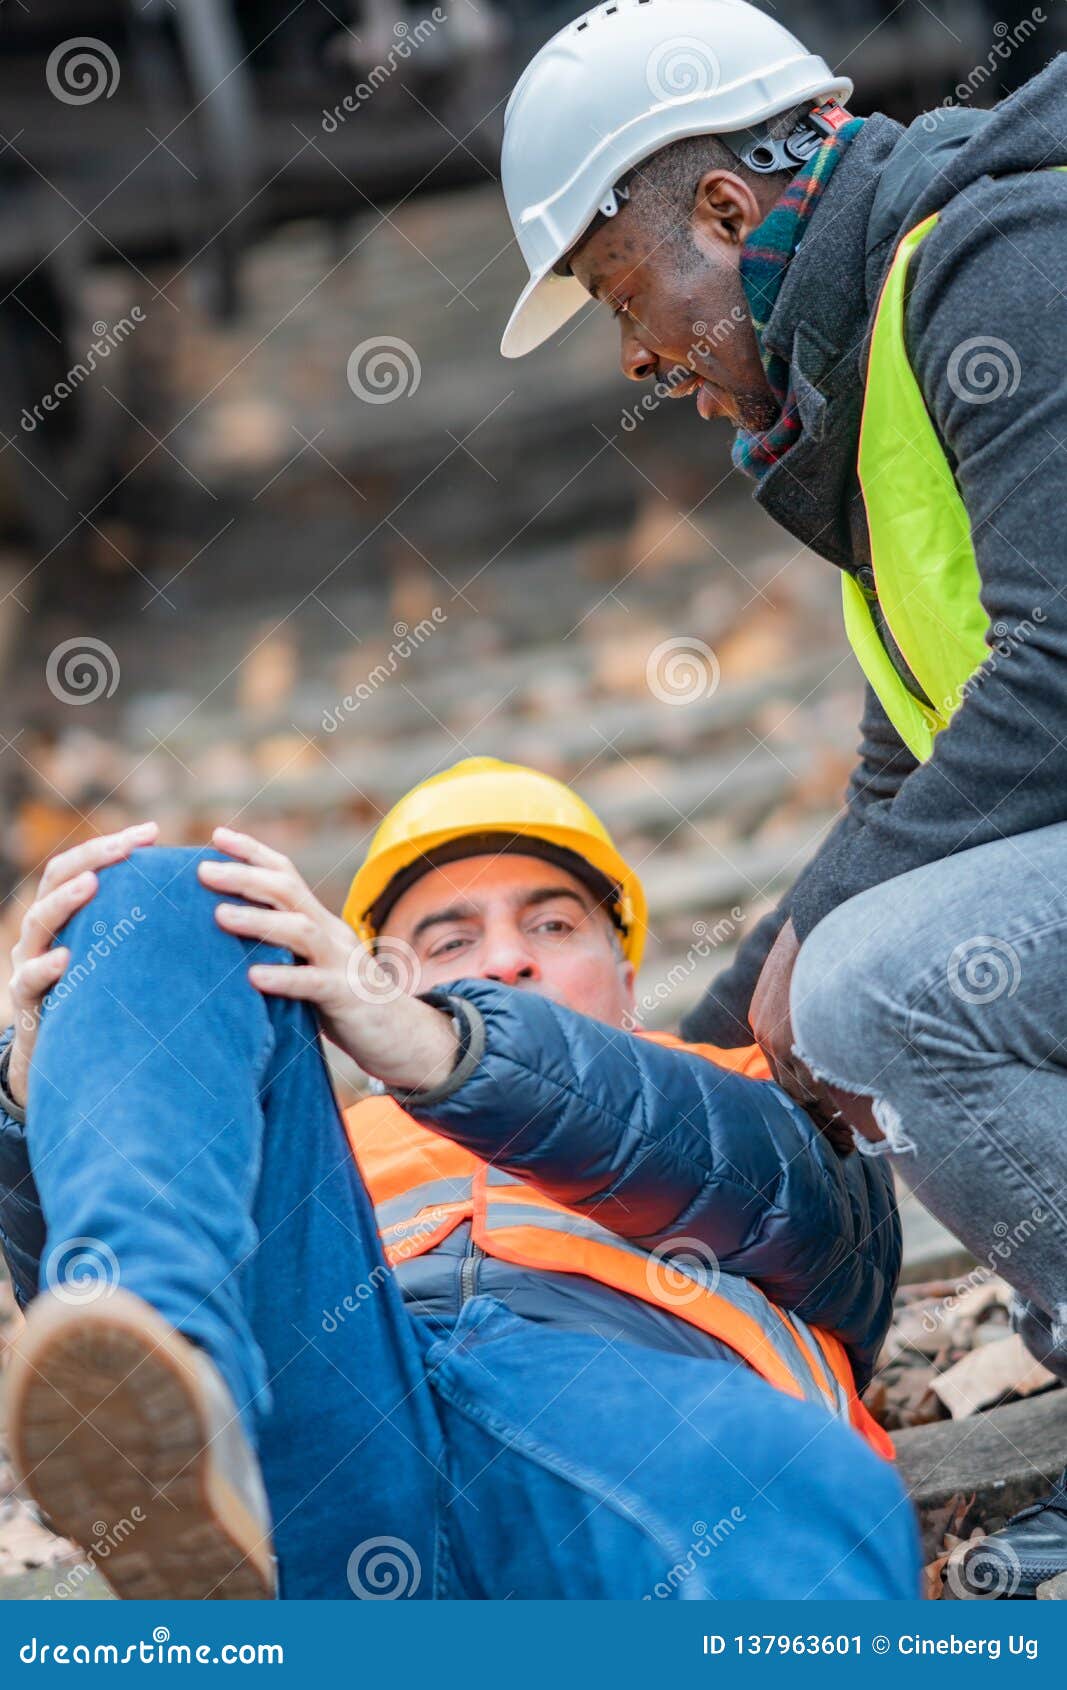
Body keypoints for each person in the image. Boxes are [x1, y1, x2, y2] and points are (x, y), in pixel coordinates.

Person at [499, 0, 1067, 1595]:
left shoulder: (1001, 258)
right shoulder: (872, 372)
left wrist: (808, 983)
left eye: (624, 293)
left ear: (730, 216)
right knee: (827, 972)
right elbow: (915, 770)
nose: (632, 356)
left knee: (881, 987)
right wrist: (699, 1040)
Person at [0, 758, 918, 1600]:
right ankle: (185, 1382)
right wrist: (47, 1087)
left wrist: (449, 1047)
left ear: (628, 974)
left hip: (643, 1447)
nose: (505, 959)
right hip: (327, 1433)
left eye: (552, 924)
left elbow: (812, 1217)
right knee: (158, 894)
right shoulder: (288, 1139)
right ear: (359, 986)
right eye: (447, 945)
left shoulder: (745, 1083)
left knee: (800, 1490)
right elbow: (80, 1352)